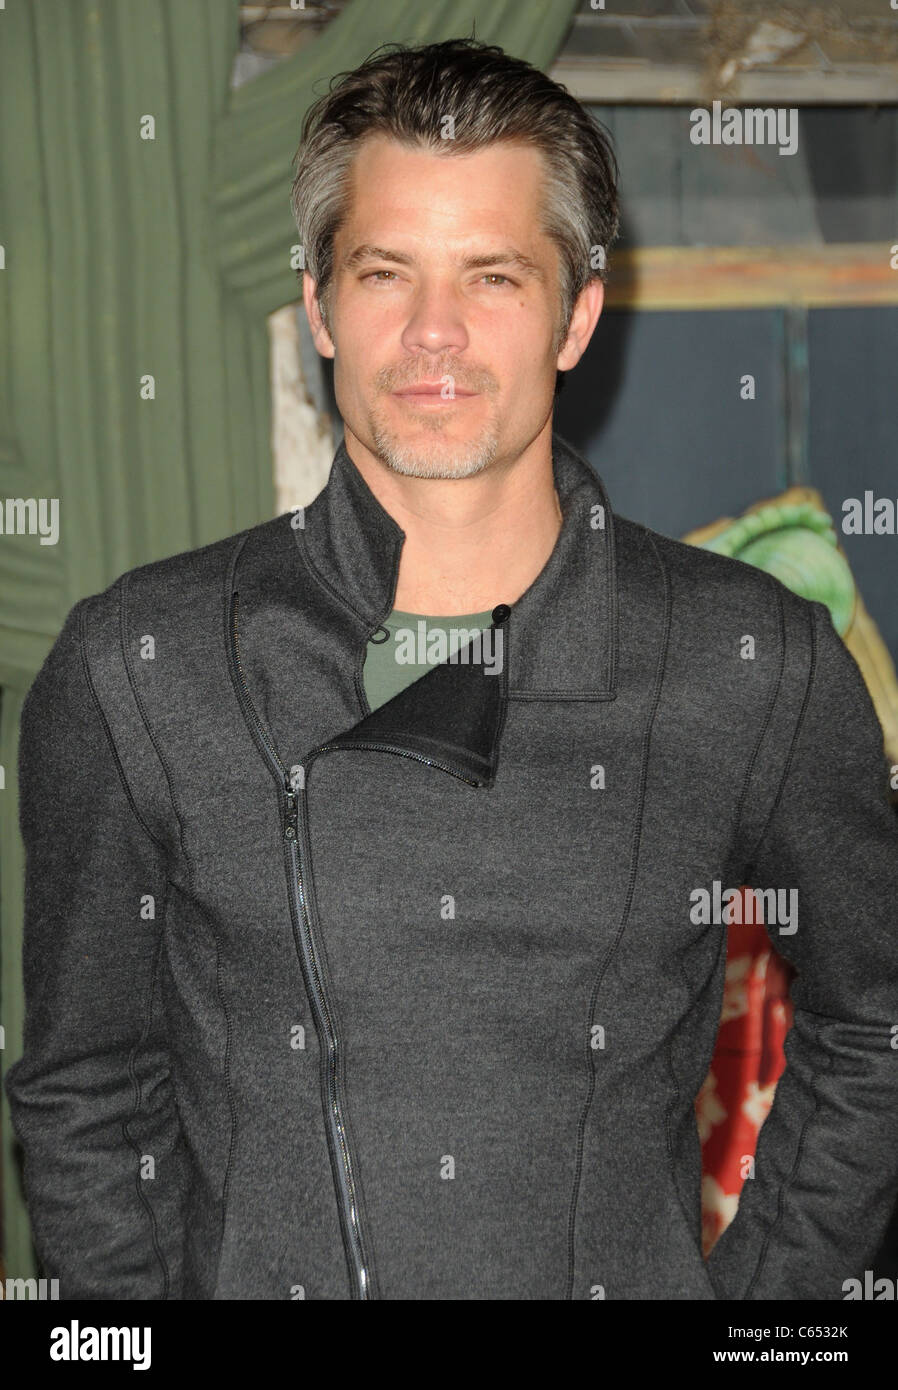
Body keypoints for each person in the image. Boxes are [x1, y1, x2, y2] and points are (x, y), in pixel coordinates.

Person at [6, 37, 898, 1302]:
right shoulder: (141, 665)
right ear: (317, 302)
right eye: (385, 274)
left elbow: (877, 1022)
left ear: (578, 312)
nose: (435, 333)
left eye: (492, 276)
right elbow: (87, 1090)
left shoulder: (744, 660)